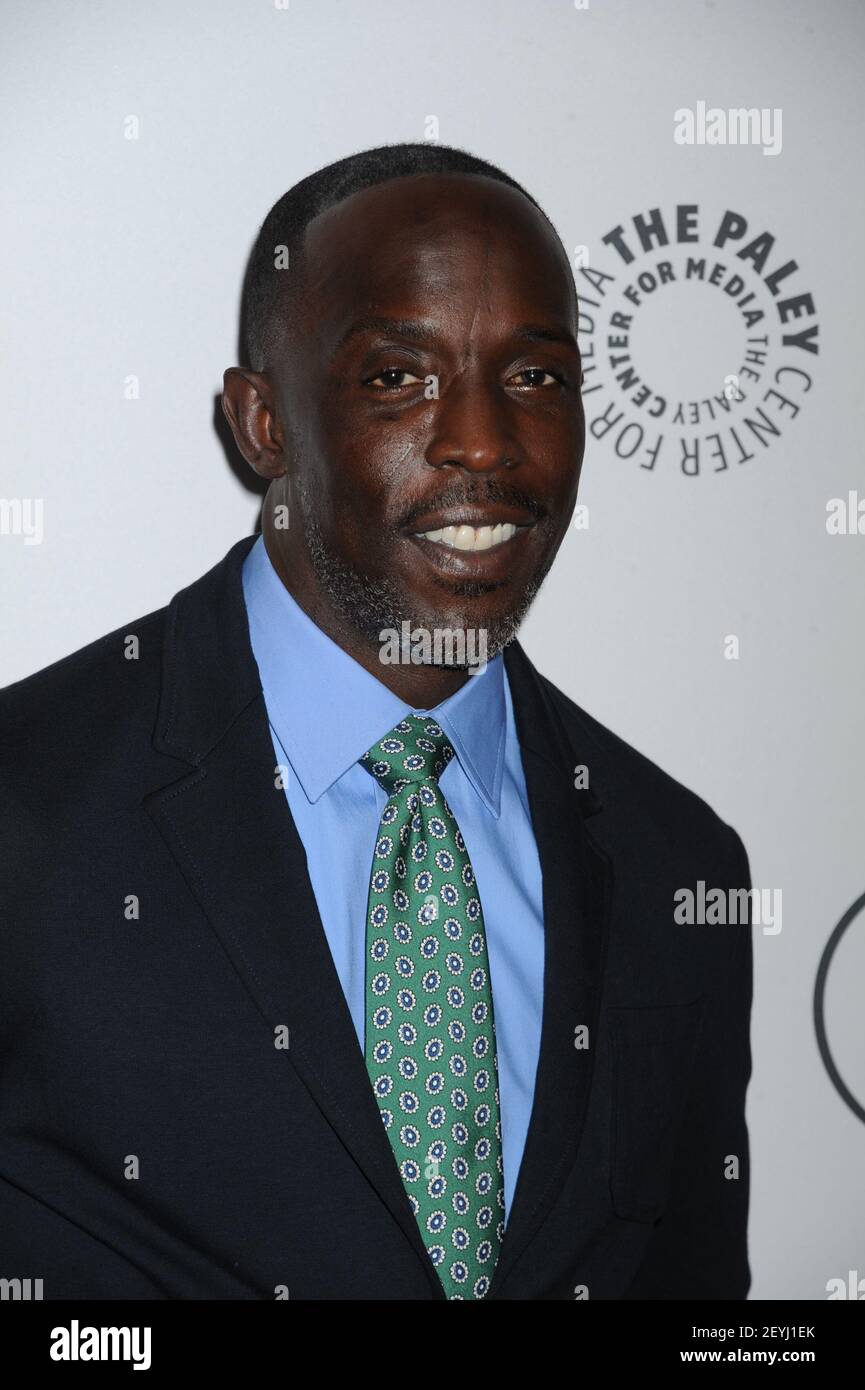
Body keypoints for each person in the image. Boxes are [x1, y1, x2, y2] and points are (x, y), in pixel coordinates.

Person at [0, 143, 752, 1300]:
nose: (484, 443)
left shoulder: (676, 865)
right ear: (264, 426)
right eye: (397, 377)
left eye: (536, 378)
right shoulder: (26, 808)